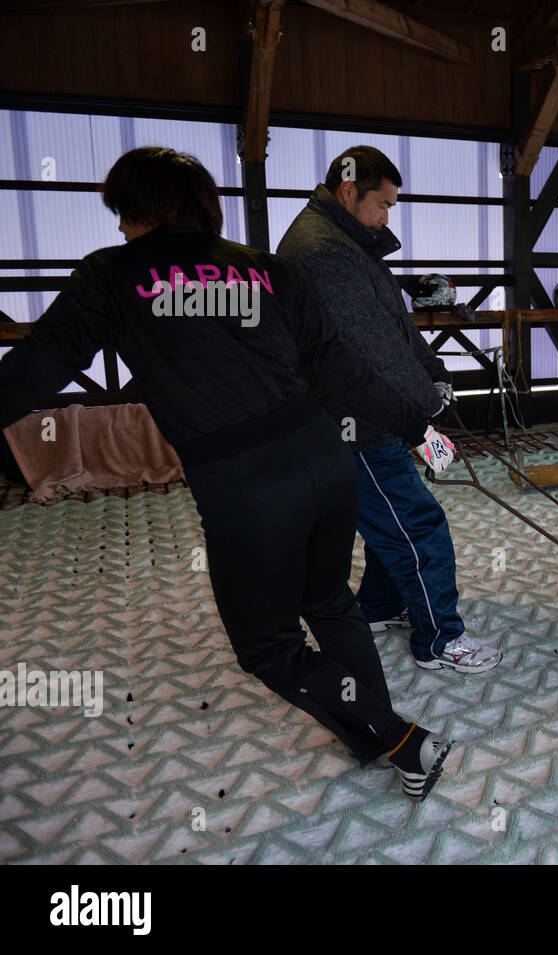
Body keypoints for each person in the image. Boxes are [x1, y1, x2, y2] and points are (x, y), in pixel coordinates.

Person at [0, 147, 452, 800]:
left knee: (267, 648)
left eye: (124, 213)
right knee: (329, 602)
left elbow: (36, 371)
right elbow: (343, 369)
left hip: (247, 485)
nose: (122, 228)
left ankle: (402, 740)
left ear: (137, 210)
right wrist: (419, 428)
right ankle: (372, 735)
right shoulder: (264, 269)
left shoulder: (112, 274)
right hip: (325, 459)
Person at [277, 146, 500, 674]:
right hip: (354, 423)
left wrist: (436, 375)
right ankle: (441, 641)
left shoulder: (344, 241)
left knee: (389, 522)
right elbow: (367, 351)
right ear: (349, 191)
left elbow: (394, 327)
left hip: (361, 414)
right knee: (420, 525)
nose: (386, 216)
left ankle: (379, 605)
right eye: (383, 204)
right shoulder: (322, 254)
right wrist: (423, 411)